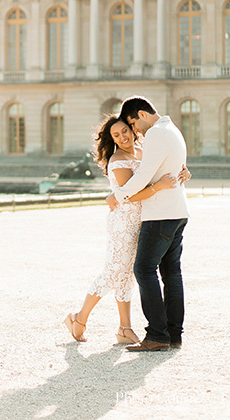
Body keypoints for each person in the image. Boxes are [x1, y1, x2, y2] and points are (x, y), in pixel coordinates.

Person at [63, 115, 186, 344]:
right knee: (113, 271)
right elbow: (130, 195)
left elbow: (161, 168)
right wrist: (158, 187)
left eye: (124, 132)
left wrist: (183, 172)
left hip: (145, 220)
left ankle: (124, 328)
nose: (122, 138)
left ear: (132, 129)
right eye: (116, 136)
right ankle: (79, 318)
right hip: (123, 222)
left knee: (127, 274)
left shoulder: (143, 150)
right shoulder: (118, 160)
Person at [113, 96, 191, 352]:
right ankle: (173, 334)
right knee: (171, 273)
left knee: (144, 269)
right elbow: (177, 167)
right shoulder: (173, 130)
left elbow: (145, 175)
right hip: (178, 210)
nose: (136, 132)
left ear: (142, 114)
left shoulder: (157, 133)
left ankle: (157, 334)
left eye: (134, 124)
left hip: (160, 213)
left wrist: (119, 194)